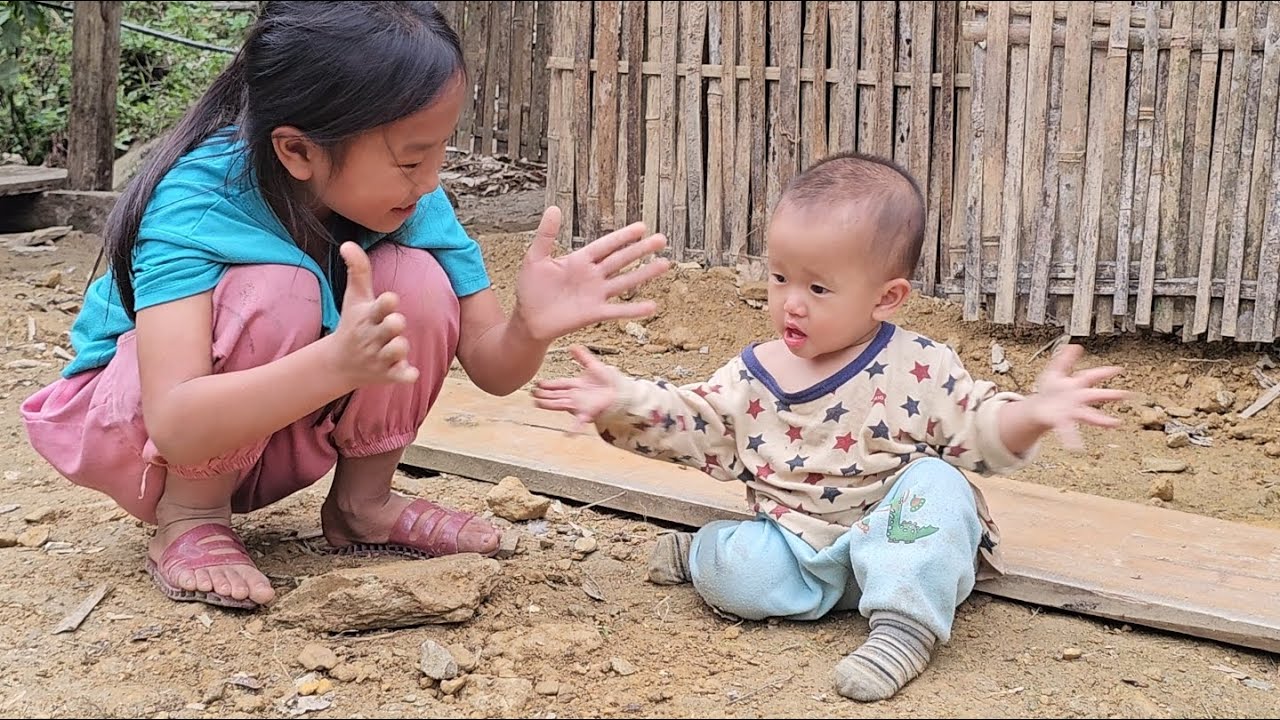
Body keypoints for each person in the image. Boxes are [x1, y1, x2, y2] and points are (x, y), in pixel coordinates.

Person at [19, 2, 670, 612]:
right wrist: (338, 363)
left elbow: (493, 369)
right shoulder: (194, 201)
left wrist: (528, 326)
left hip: (268, 427)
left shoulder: (411, 204)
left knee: (416, 279)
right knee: (282, 290)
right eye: (413, 158)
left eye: (439, 150)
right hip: (143, 439)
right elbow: (177, 422)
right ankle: (191, 518)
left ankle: (364, 505)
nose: (432, 178)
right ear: (296, 149)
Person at [531, 151, 1129, 702]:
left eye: (818, 288)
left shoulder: (916, 366)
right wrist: (622, 400)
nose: (793, 302)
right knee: (738, 573)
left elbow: (977, 424)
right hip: (800, 549)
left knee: (940, 489)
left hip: (899, 538)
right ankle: (703, 556)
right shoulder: (752, 374)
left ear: (886, 297)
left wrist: (1033, 414)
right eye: (779, 278)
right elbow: (695, 418)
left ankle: (903, 630)